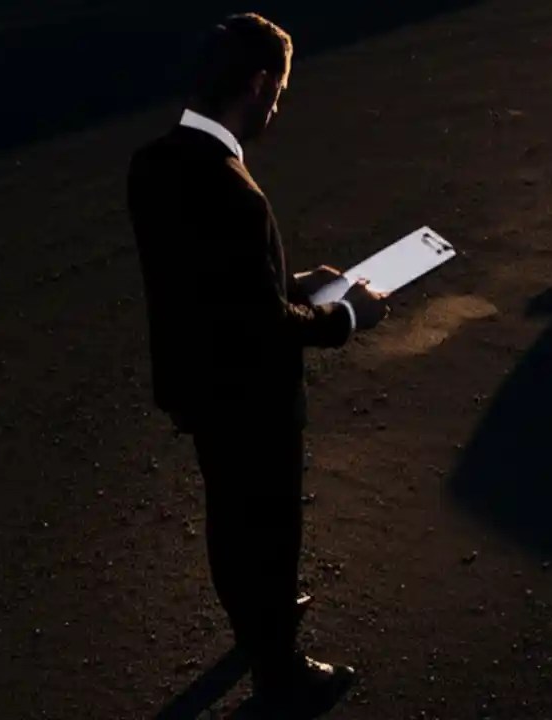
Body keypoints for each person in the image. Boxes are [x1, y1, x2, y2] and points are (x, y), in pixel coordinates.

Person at [125, 12, 388, 717]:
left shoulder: (151, 165)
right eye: (279, 94)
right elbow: (260, 321)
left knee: (228, 518)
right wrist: (346, 315)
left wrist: (292, 282)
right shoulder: (233, 189)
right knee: (269, 530)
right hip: (252, 397)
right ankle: (283, 673)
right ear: (260, 83)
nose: (277, 110)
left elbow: (205, 281)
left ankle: (256, 622)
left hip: (196, 388)